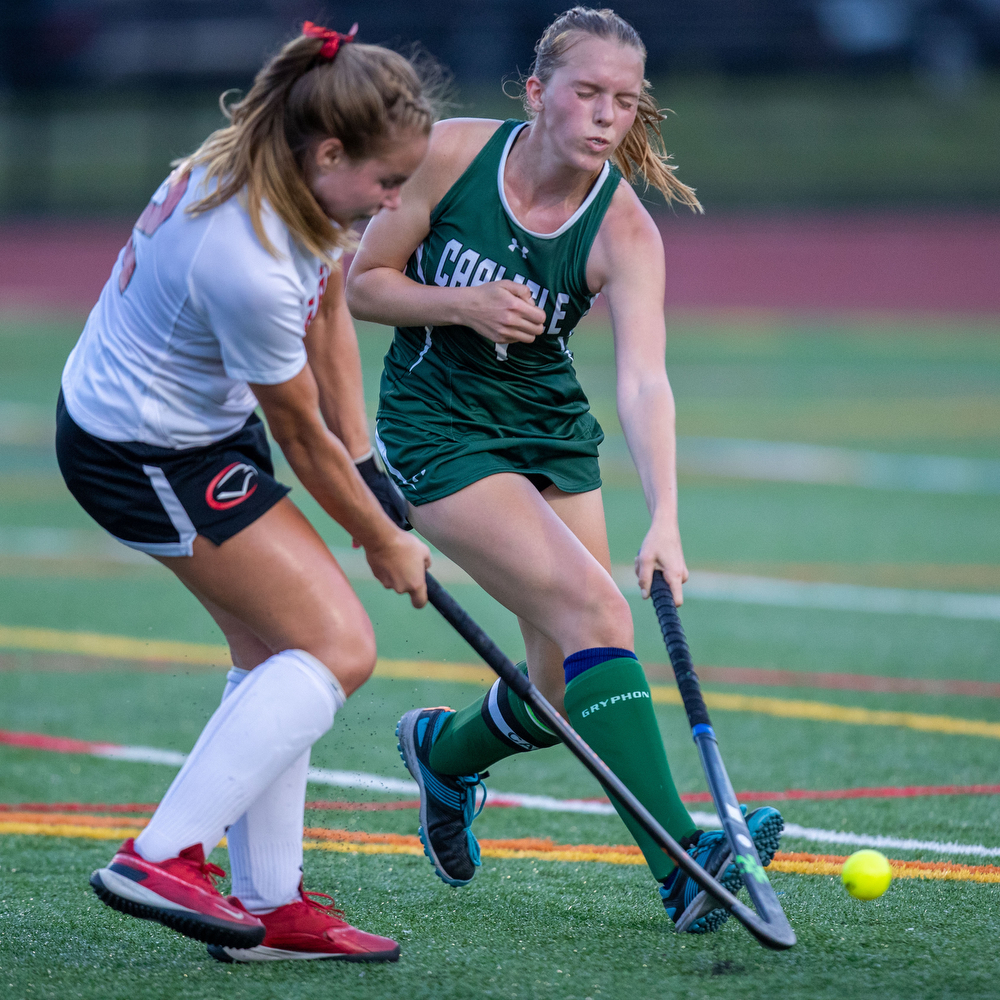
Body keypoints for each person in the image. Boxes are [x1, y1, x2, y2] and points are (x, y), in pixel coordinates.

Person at [347, 6, 783, 934]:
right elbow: (363, 284)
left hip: (548, 428)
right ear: (539, 92)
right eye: (587, 93)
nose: (606, 117)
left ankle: (445, 754)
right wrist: (461, 304)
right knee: (598, 615)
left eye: (624, 102)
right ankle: (684, 864)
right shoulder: (450, 156)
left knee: (562, 687)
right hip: (437, 425)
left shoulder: (624, 228)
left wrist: (665, 515)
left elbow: (643, 379)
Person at [56, 23, 434, 963]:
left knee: (278, 649)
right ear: (331, 151)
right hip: (139, 451)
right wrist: (380, 538)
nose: (394, 203)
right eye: (388, 184)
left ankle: (270, 908)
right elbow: (300, 435)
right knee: (339, 645)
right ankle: (159, 857)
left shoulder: (286, 182)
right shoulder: (246, 253)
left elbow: (330, 308)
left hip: (199, 428)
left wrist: (368, 457)